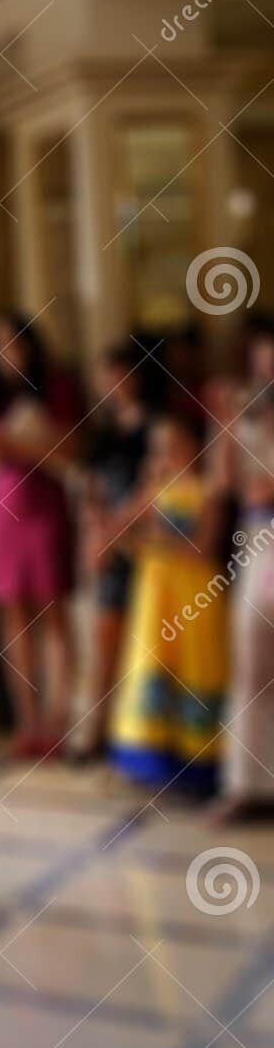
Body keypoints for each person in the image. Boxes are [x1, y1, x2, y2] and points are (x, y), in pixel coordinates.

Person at [0, 312, 82, 757]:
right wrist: (16, 448)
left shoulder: (56, 386)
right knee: (13, 618)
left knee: (53, 612)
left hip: (46, 504)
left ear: (29, 346)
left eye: (12, 343)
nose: (5, 353)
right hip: (2, 506)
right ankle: (26, 721)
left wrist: (17, 446)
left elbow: (69, 447)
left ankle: (60, 721)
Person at [103, 417, 227, 789]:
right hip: (156, 593)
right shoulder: (153, 491)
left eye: (172, 445)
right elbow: (119, 530)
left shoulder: (208, 490)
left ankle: (199, 758)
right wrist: (143, 490)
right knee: (152, 660)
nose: (165, 455)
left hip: (195, 591)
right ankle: (149, 753)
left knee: (197, 663)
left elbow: (203, 548)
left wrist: (155, 542)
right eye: (157, 448)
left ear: (192, 448)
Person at [75, 342, 156, 761]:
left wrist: (116, 527)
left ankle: (137, 737)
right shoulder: (100, 428)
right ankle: (97, 731)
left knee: (142, 641)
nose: (111, 384)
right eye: (104, 375)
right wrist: (96, 530)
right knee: (103, 636)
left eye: (118, 373)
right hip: (106, 540)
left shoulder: (156, 426)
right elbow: (90, 486)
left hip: (145, 542)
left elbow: (155, 484)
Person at [212, 351, 274, 820]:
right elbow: (230, 485)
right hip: (258, 541)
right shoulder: (251, 422)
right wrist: (227, 425)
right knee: (251, 668)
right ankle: (247, 786)